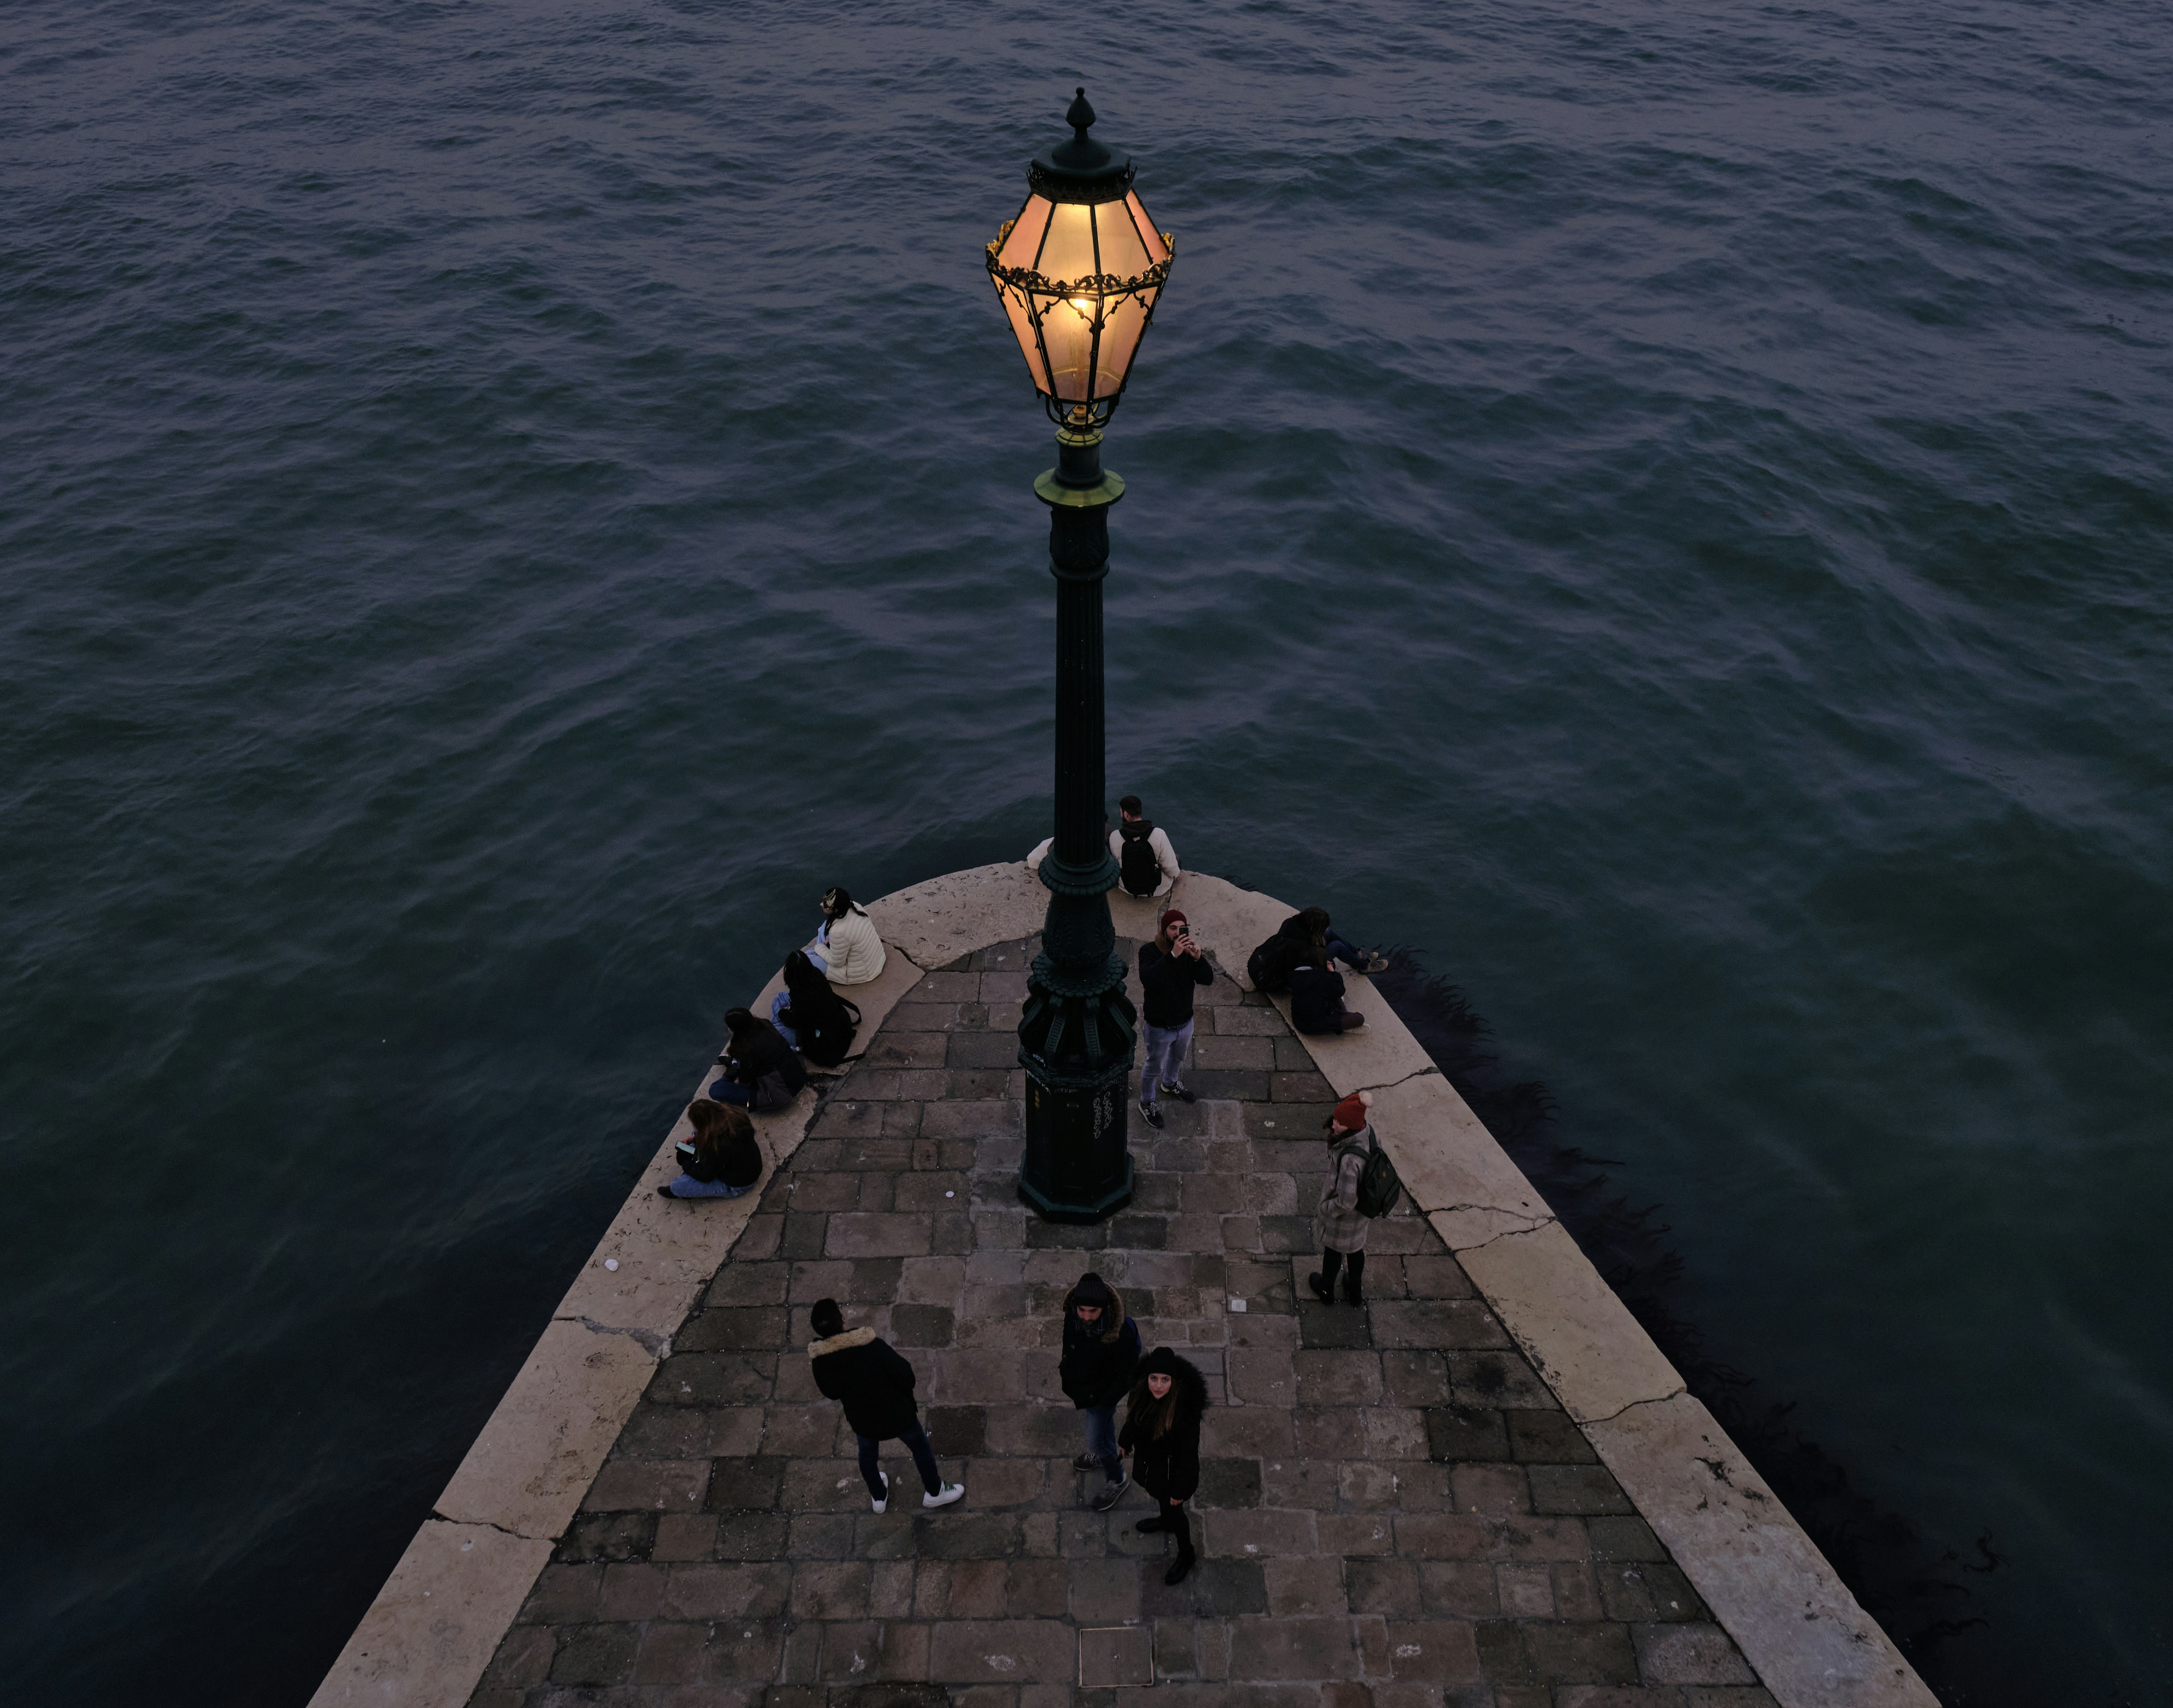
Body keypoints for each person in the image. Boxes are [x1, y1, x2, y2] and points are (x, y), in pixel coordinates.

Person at [807, 1297, 964, 1512]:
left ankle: (879, 1497)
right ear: (842, 1320)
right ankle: (935, 1492)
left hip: (863, 1421)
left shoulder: (820, 1362)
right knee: (919, 1446)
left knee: (867, 1456)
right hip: (898, 1414)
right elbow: (906, 1375)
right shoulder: (870, 1345)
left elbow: (831, 1393)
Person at [1119, 1347, 1207, 1584]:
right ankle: (1165, 1520)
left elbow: (1189, 1455)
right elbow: (1133, 1422)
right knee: (1160, 1499)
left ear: (1174, 1381)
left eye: (1165, 1380)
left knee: (1177, 1514)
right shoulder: (1141, 1395)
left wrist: (1180, 1490)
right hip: (1153, 1468)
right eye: (1154, 1379)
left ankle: (1186, 1554)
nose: (1158, 1385)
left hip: (1173, 1475)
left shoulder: (1185, 1412)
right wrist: (1125, 1442)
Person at [1059, 1272, 1140, 1512]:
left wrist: (1105, 1400)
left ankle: (1117, 1479)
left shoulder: (1120, 1333)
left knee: (1097, 1440)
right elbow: (1069, 1345)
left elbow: (1129, 1374)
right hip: (1088, 1386)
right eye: (1082, 1310)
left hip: (1102, 1394)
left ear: (1103, 1309)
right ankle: (1104, 1454)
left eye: (1092, 1312)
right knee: (1104, 1434)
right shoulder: (1073, 1317)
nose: (1086, 1317)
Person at [1136, 908, 1212, 1129]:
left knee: (1178, 1058)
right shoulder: (1149, 951)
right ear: (1164, 930)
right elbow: (1149, 979)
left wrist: (1198, 959)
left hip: (1185, 1021)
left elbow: (1207, 979)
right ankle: (1147, 1101)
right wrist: (1173, 956)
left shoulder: (1188, 953)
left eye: (1182, 928)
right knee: (1153, 1066)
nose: (1178, 932)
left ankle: (1170, 1084)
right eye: (1173, 928)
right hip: (1160, 1025)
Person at [1309, 1092, 1376, 1305]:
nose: (1334, 1125)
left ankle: (1327, 1291)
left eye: (1340, 1123)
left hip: (1344, 1219)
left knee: (1333, 1251)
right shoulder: (1369, 1134)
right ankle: (1355, 1293)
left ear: (1350, 1127)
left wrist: (1326, 1209)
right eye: (1336, 1119)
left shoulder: (1349, 1160)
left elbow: (1347, 1202)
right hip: (1364, 1212)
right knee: (1356, 1251)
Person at [1250, 906, 1388, 995]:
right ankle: (1364, 966)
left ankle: (1355, 953)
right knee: (1337, 946)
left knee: (1328, 933)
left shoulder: (1291, 923)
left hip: (1278, 963)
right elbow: (1317, 962)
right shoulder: (1304, 947)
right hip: (1278, 979)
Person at [658, 1098, 764, 1200]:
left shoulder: (718, 1146)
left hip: (738, 1184)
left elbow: (706, 1175)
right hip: (744, 1167)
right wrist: (696, 1138)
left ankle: (684, 1187)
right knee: (696, 1133)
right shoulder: (735, 1117)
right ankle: (696, 1155)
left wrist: (685, 1163)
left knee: (677, 1186)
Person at [771, 948, 859, 1068]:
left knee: (777, 1026)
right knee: (782, 996)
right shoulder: (817, 974)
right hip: (836, 1025)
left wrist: (783, 1013)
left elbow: (798, 1023)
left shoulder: (800, 995)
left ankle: (776, 1026)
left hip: (821, 1038)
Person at [709, 1007, 809, 1109]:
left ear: (735, 1029)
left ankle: (733, 1070)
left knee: (716, 1090)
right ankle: (736, 1066)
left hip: (782, 1092)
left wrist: (739, 1076)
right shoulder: (766, 1024)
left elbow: (745, 1084)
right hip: (798, 1074)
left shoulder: (747, 1049)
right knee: (750, 1062)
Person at [808, 887, 886, 986]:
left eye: (826, 905)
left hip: (860, 972)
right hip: (875, 960)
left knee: (808, 959)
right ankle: (820, 948)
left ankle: (816, 950)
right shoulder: (855, 906)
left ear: (835, 910)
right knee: (825, 927)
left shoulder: (838, 932)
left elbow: (837, 963)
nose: (823, 905)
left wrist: (819, 948)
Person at [1109, 796, 1179, 898]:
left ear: (1126, 814)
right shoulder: (1159, 834)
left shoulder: (1114, 837)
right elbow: (1170, 866)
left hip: (1128, 888)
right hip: (1157, 889)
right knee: (1177, 859)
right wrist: (1176, 874)